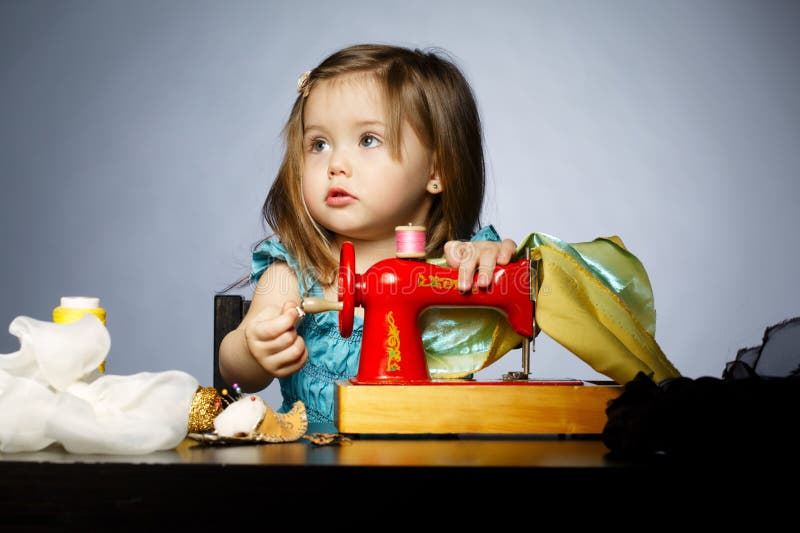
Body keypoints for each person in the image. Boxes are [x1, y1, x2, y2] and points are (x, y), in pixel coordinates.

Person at [219, 44, 516, 424]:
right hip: (316, 465)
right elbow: (235, 370)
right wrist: (252, 348)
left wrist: (493, 262)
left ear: (436, 171)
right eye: (319, 145)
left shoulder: (459, 265)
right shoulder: (296, 271)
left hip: (432, 466)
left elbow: (530, 301)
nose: (336, 165)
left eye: (368, 140)